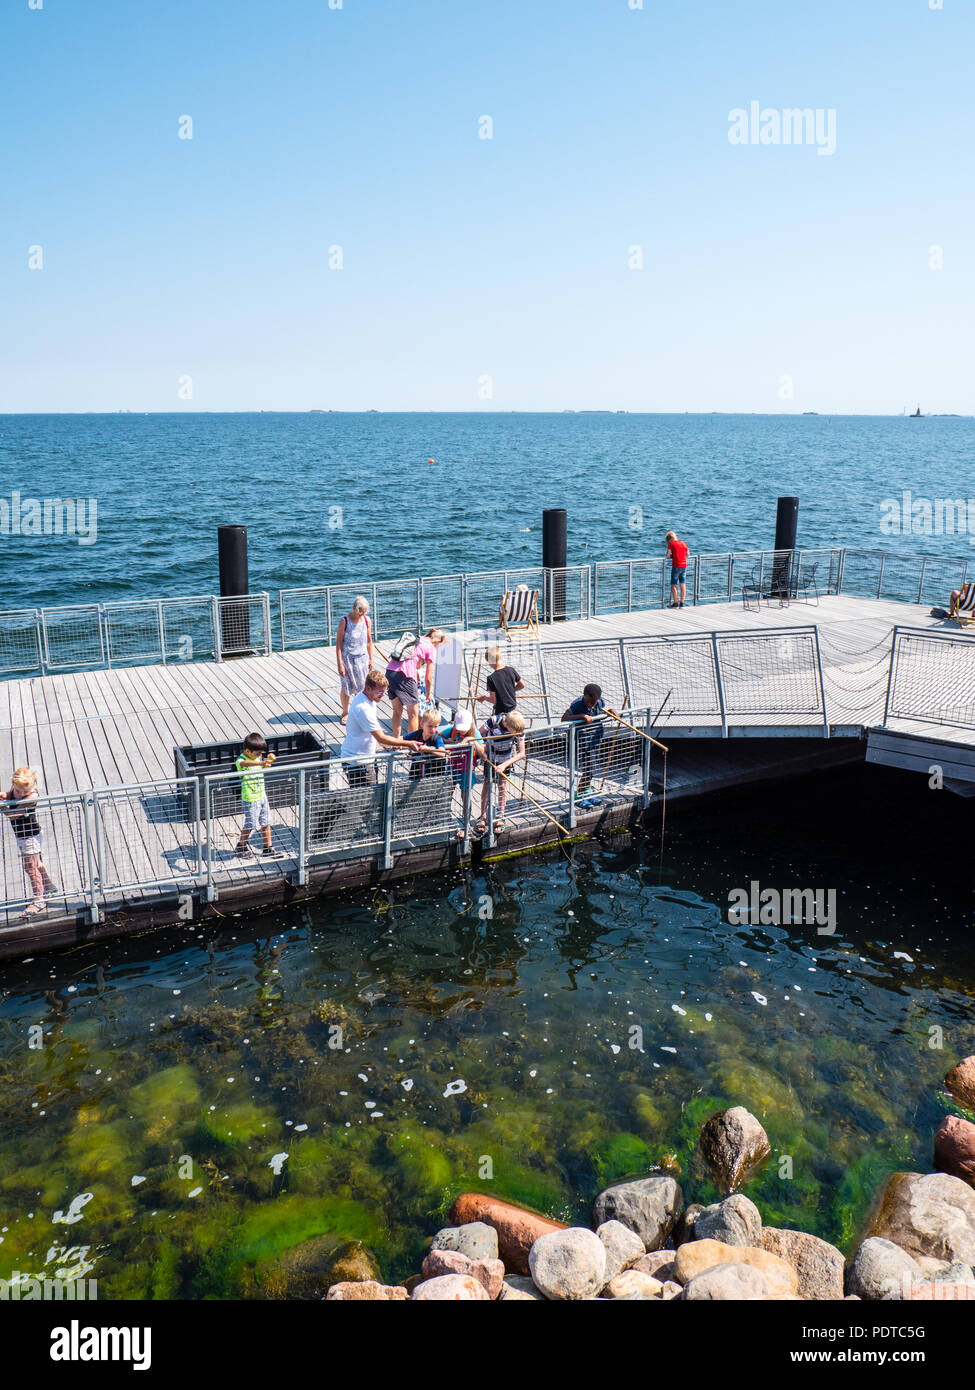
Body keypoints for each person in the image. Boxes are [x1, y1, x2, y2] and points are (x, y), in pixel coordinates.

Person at [340, 668, 419, 786]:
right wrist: (408, 744)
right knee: (368, 801)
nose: (382, 695)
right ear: (368, 688)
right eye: (379, 692)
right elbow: (381, 738)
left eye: (384, 692)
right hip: (358, 762)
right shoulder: (363, 708)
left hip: (366, 758)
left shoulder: (368, 698)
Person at [1, 767, 58, 919]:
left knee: (30, 867)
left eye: (23, 792)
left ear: (34, 786)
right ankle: (48, 886)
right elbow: (8, 795)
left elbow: (13, 815)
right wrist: (3, 795)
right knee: (36, 863)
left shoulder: (31, 797)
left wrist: (2, 807)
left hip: (30, 836)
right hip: (22, 835)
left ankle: (39, 900)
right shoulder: (17, 788)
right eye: (17, 790)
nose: (20, 794)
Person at [561, 684, 620, 808]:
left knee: (592, 768)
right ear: (584, 696)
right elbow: (564, 718)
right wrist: (582, 716)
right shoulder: (577, 704)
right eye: (588, 701)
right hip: (584, 740)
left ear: (598, 699)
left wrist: (611, 711)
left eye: (592, 702)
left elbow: (603, 710)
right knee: (589, 768)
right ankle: (579, 796)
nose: (589, 704)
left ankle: (585, 793)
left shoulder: (599, 702)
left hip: (596, 738)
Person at [385, 628, 447, 738]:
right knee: (413, 715)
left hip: (390, 672)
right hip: (405, 676)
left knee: (397, 711)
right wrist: (428, 693)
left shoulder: (419, 639)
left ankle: (396, 741)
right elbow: (428, 677)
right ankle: (411, 747)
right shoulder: (431, 648)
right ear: (437, 641)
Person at [474, 709, 526, 838]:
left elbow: (521, 753)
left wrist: (504, 765)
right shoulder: (493, 721)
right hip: (490, 758)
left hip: (505, 759)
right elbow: (477, 734)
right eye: (513, 732)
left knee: (502, 786)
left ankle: (500, 816)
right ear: (507, 724)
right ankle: (482, 816)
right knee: (487, 784)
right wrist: (483, 751)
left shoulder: (518, 728)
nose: (516, 734)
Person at [439, 708, 484, 836]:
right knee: (447, 794)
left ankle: (466, 823)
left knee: (466, 797)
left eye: (463, 728)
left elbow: (483, 752)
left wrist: (472, 741)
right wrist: (451, 742)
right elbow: (439, 737)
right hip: (452, 767)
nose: (461, 730)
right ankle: (444, 819)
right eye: (459, 727)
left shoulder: (475, 732)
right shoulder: (453, 730)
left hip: (467, 770)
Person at [234, 733, 277, 857]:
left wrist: (266, 763)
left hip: (262, 795)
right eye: (258, 753)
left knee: (266, 822)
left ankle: (268, 848)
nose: (260, 755)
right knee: (250, 824)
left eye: (262, 753)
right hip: (250, 798)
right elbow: (244, 764)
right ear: (248, 750)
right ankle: (241, 846)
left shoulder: (258, 758)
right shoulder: (241, 760)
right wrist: (261, 764)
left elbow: (262, 764)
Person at [336, 597, 374, 725]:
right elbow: (339, 644)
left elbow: (369, 641)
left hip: (362, 658)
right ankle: (345, 712)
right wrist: (340, 663)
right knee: (346, 686)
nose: (362, 614)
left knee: (363, 686)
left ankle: (360, 711)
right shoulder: (344, 621)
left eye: (364, 612)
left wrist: (371, 658)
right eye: (360, 611)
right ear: (354, 608)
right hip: (347, 658)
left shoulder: (367, 620)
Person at [476, 646, 526, 715]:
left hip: (501, 713)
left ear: (490, 661)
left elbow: (494, 700)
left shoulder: (491, 678)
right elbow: (522, 685)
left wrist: (484, 698)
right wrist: (510, 690)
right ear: (500, 657)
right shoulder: (511, 670)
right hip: (513, 710)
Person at [403, 709, 447, 779]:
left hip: (432, 773)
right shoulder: (417, 734)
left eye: (435, 726)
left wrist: (428, 749)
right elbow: (402, 738)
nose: (433, 729)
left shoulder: (437, 738)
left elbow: (442, 753)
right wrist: (394, 743)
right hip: (416, 770)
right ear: (422, 724)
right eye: (430, 726)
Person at [665, 530, 689, 608]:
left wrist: (673, 556)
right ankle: (682, 603)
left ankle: (675, 603)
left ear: (669, 540)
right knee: (682, 584)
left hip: (676, 566)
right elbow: (688, 554)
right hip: (684, 565)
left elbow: (668, 555)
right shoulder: (683, 543)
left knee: (674, 584)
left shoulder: (671, 544)